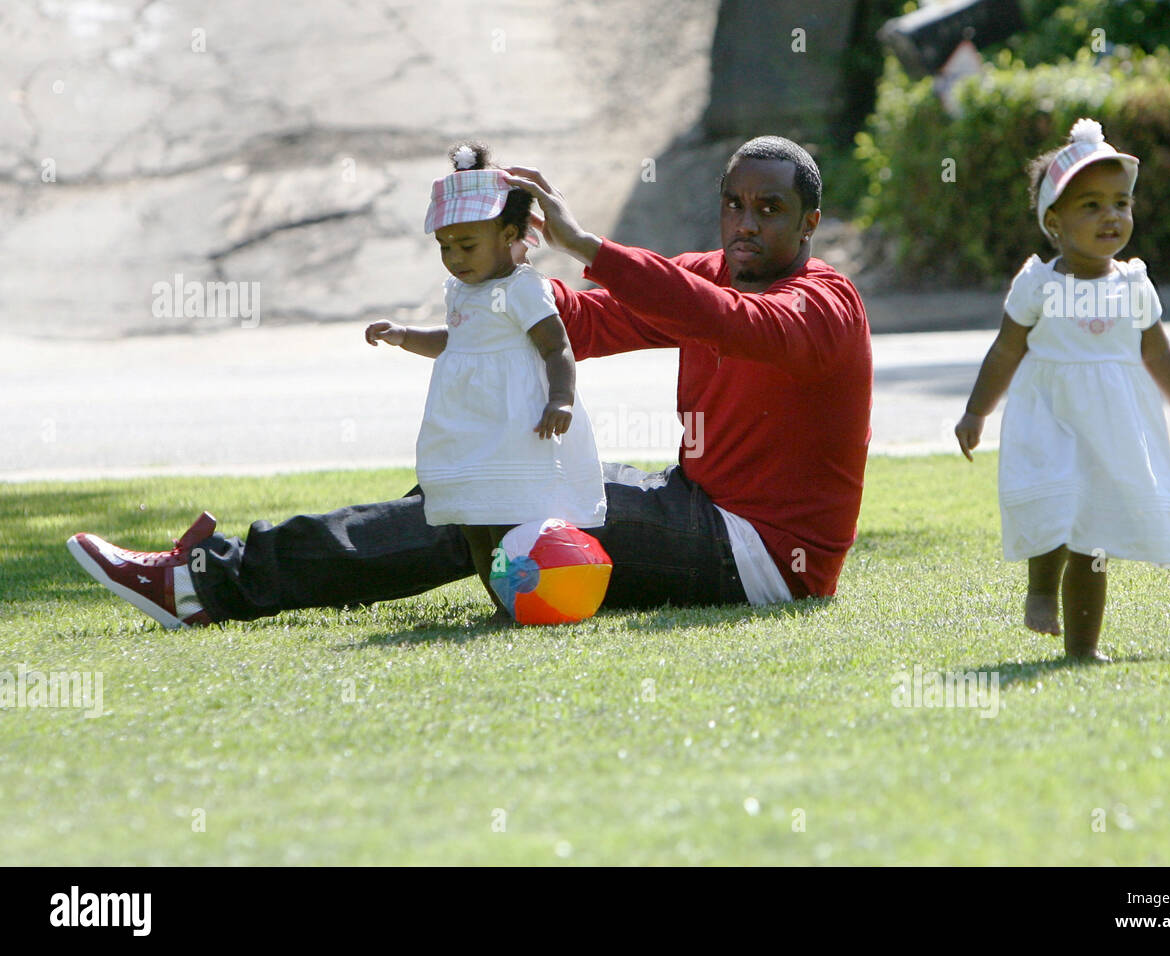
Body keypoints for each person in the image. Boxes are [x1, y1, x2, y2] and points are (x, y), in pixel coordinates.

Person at [66, 135, 872, 629]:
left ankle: (212, 581)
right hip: (696, 506)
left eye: (769, 210)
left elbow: (735, 325)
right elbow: (581, 324)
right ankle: (216, 575)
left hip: (767, 559)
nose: (745, 224)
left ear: (809, 225)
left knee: (491, 501)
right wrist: (505, 267)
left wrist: (589, 246)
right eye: (733, 205)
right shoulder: (711, 277)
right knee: (480, 485)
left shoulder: (826, 306)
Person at [953, 118, 1170, 661]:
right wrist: (976, 413)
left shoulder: (1133, 283)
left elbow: (1157, 352)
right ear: (1053, 222)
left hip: (1113, 424)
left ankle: (1081, 648)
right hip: (1048, 414)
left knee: (1093, 538)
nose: (1112, 216)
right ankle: (1038, 591)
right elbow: (1006, 350)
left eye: (1121, 203)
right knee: (1056, 499)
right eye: (1091, 205)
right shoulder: (1038, 283)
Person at [365, 141, 606, 618]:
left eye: (468, 245)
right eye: (445, 247)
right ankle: (503, 602)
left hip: (515, 424)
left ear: (510, 233)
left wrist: (561, 399)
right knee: (473, 519)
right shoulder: (461, 291)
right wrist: (406, 335)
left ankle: (528, 597)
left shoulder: (522, 289)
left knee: (510, 516)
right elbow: (456, 341)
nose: (455, 257)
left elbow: (556, 347)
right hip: (469, 424)